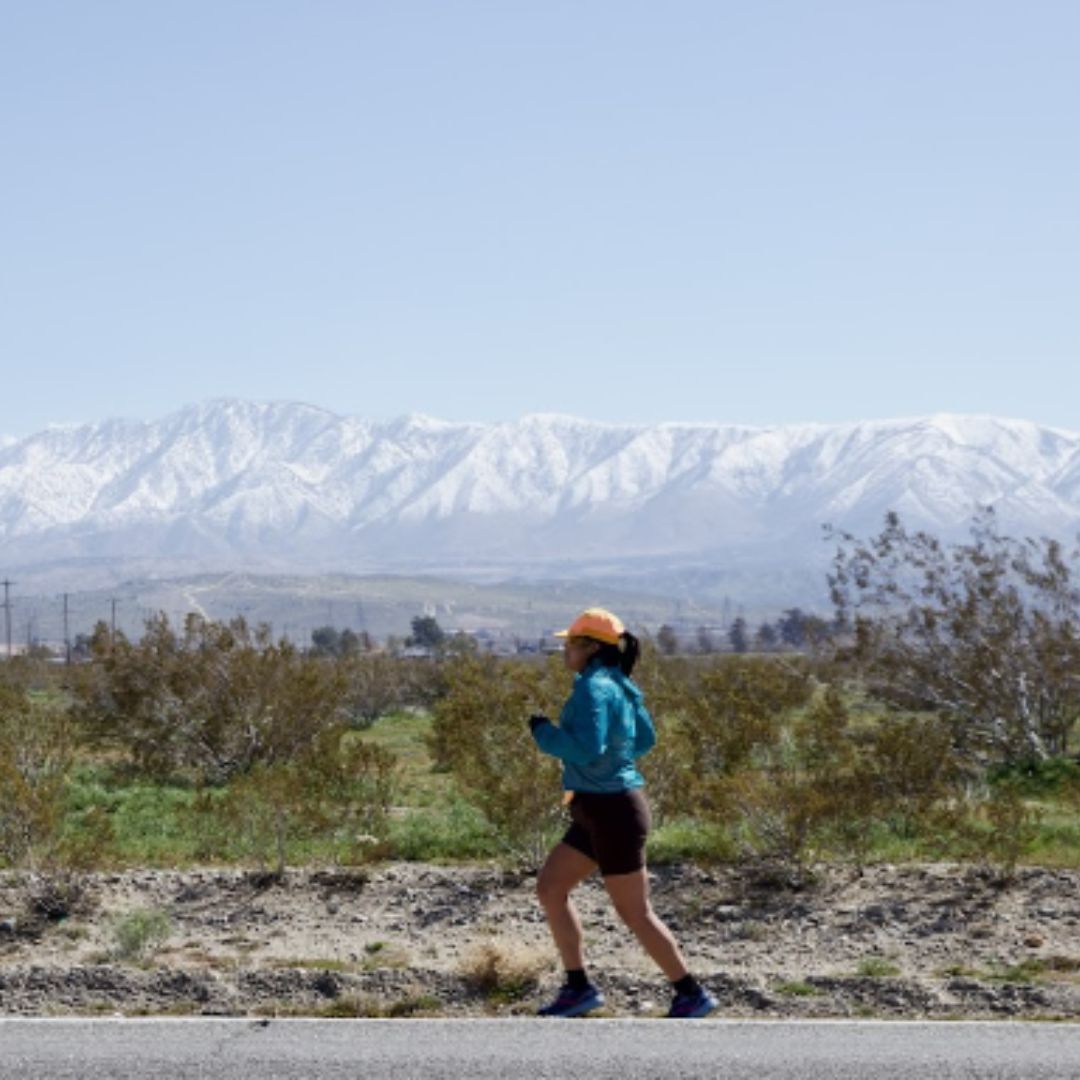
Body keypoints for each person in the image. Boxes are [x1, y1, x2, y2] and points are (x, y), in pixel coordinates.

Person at [528, 607, 717, 1019]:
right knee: (550, 888)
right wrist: (613, 764)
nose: (564, 651)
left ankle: (690, 993)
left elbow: (586, 747)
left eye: (570, 643)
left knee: (634, 912)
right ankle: (578, 988)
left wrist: (544, 734)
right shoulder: (621, 685)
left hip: (613, 811)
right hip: (599, 808)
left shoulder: (593, 688)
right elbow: (644, 739)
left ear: (590, 647)